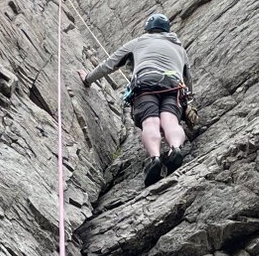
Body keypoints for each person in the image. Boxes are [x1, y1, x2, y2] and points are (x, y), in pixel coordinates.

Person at [82, 12, 193, 186]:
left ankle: (155, 158)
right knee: (170, 121)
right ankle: (175, 149)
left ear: (148, 28)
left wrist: (88, 78)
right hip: (174, 86)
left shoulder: (139, 42)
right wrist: (189, 105)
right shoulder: (180, 49)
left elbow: (110, 64)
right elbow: (188, 80)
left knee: (151, 122)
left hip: (146, 85)